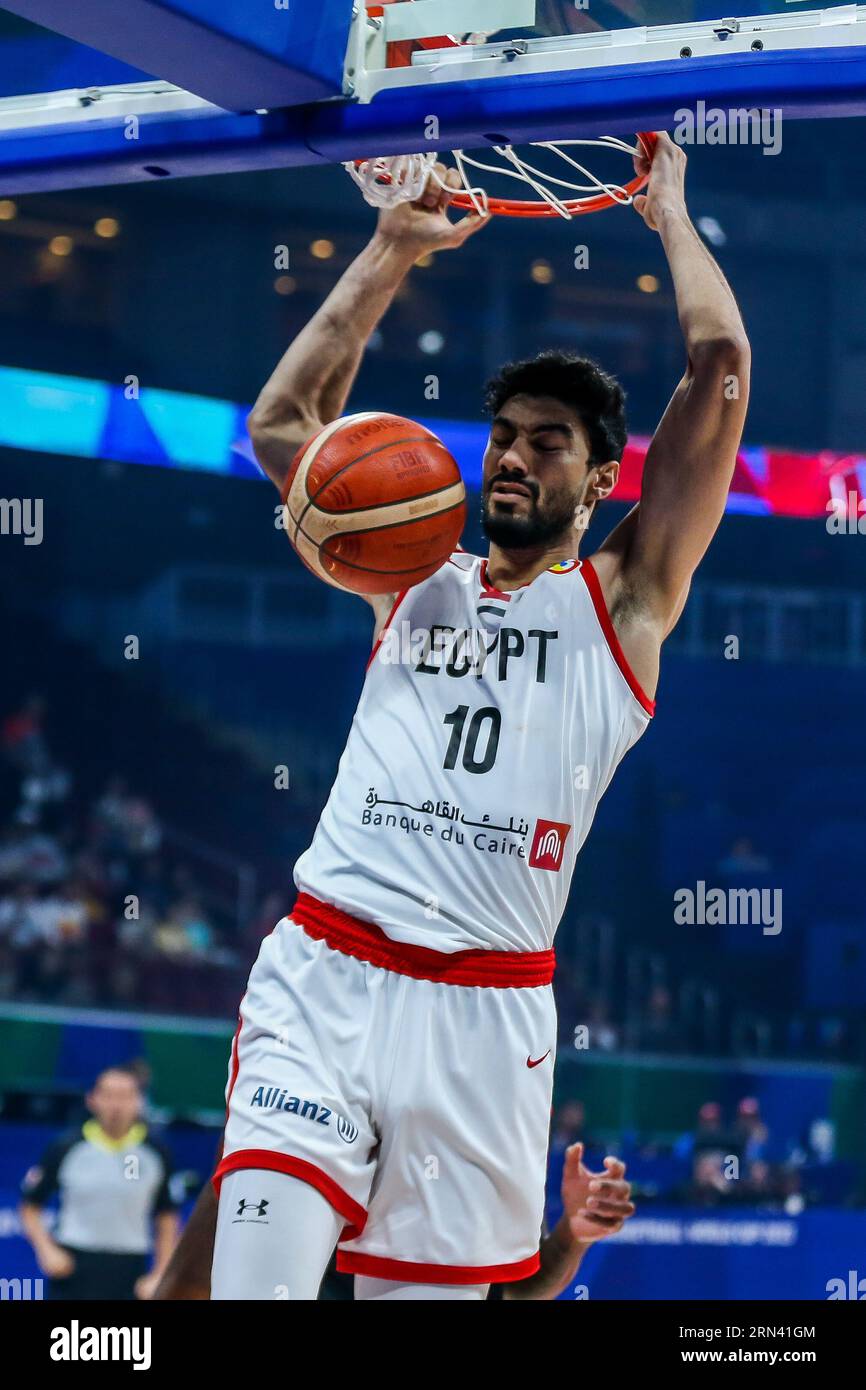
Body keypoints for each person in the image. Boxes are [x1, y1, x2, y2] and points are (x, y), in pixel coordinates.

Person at [213, 131, 749, 1300]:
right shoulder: (406, 568)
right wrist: (391, 245)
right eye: (503, 437)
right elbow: (279, 427)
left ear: (600, 478)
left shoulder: (627, 601)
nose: (511, 460)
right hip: (330, 973)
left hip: (487, 1014)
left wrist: (667, 216)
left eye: (545, 445)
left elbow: (717, 371)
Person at [155, 1140, 635, 1300]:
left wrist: (575, 1233)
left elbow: (511, 1291)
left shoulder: (485, 1146)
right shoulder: (296, 1123)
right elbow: (186, 1288)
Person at [19, 1065, 180, 1300]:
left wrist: (160, 1273)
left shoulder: (155, 1152)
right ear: (92, 1099)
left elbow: (167, 1216)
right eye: (109, 1095)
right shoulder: (66, 1147)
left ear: (139, 1101)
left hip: (130, 1269)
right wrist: (47, 1251)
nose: (116, 1105)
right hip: (74, 1266)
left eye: (125, 1096)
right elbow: (30, 1206)